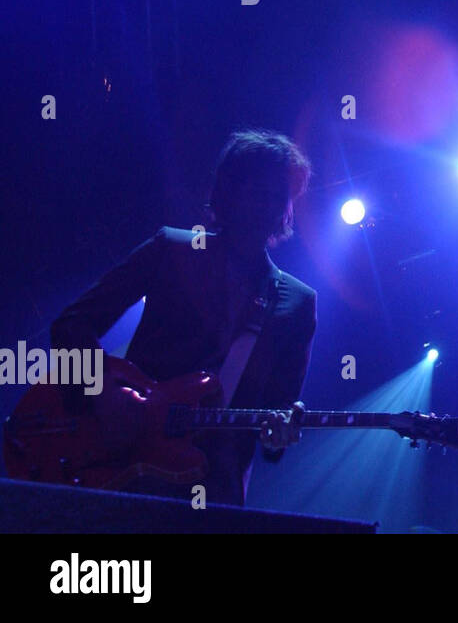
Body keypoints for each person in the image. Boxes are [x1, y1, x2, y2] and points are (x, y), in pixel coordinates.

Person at [51, 129, 317, 507]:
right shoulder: (172, 249)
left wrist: (280, 437)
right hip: (124, 475)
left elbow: (276, 419)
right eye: (258, 192)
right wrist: (102, 392)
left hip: (215, 497)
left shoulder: (297, 303)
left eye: (278, 196)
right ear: (228, 191)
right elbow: (72, 324)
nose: (267, 207)